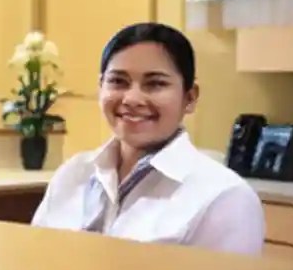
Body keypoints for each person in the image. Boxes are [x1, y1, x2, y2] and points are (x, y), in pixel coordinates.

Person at [31, 22, 265, 255]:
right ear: (101, 87)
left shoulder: (225, 198)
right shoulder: (73, 174)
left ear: (190, 98)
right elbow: (37, 262)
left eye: (155, 84)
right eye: (118, 81)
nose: (132, 99)